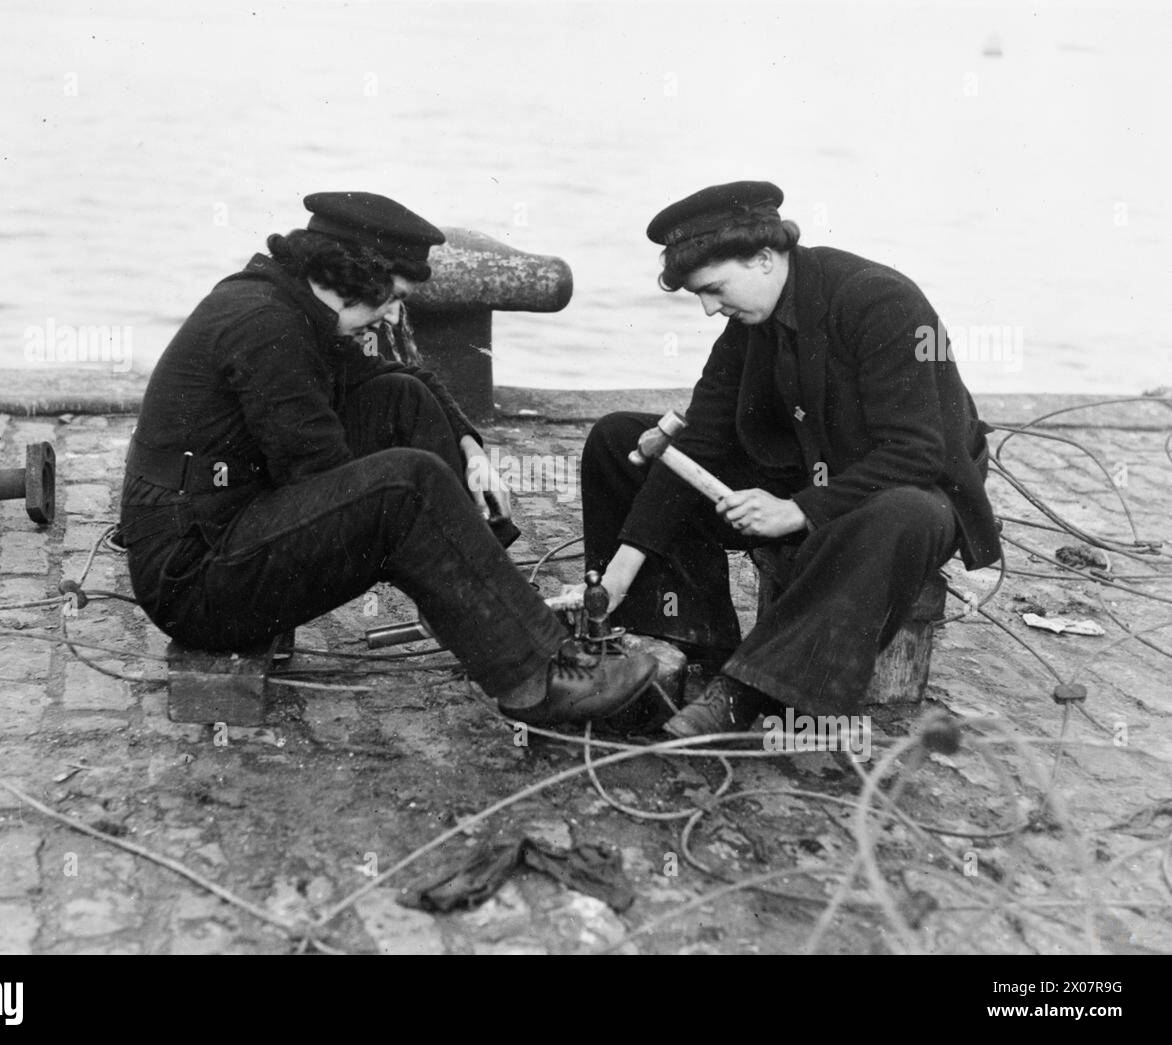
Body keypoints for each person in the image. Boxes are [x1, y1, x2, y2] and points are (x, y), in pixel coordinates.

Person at [117, 191, 656, 726]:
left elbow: (402, 378)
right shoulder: (267, 327)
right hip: (196, 584)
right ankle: (536, 681)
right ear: (356, 276)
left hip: (229, 525)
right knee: (408, 487)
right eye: (394, 295)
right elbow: (327, 483)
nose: (397, 312)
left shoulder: (290, 301)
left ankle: (497, 613)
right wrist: (429, 533)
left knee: (401, 399)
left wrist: (468, 444)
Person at [579, 180, 1001, 737]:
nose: (709, 309)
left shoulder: (882, 301)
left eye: (713, 289)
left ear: (762, 258)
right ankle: (684, 641)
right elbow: (701, 437)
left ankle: (748, 691)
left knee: (904, 513)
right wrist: (621, 568)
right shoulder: (748, 318)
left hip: (914, 488)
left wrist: (798, 510)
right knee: (618, 441)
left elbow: (917, 452)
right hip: (808, 468)